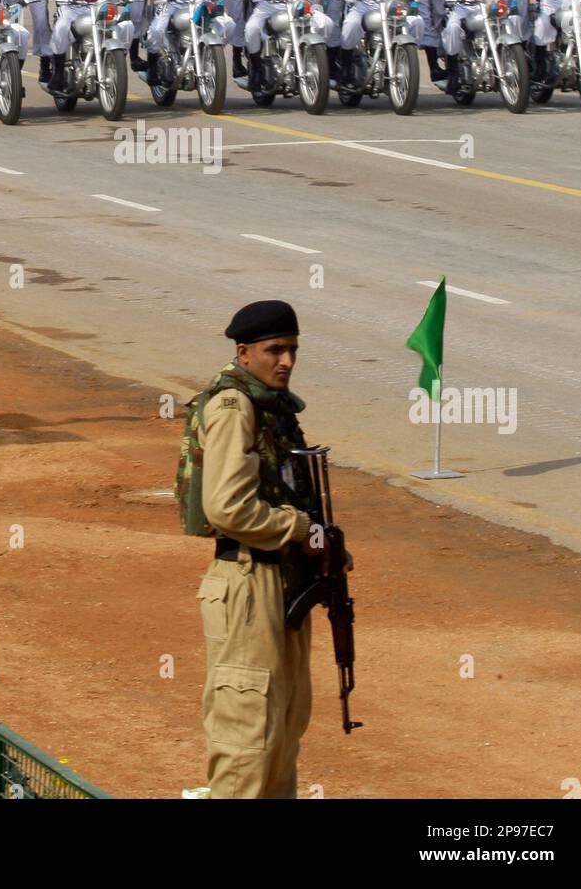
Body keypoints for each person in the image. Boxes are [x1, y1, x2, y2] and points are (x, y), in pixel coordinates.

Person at [195, 300, 328, 799]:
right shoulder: (234, 408)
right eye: (275, 350)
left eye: (292, 349)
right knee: (247, 743)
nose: (287, 361)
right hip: (249, 585)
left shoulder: (271, 407)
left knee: (283, 733)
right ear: (243, 351)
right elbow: (227, 507)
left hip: (280, 583)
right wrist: (298, 528)